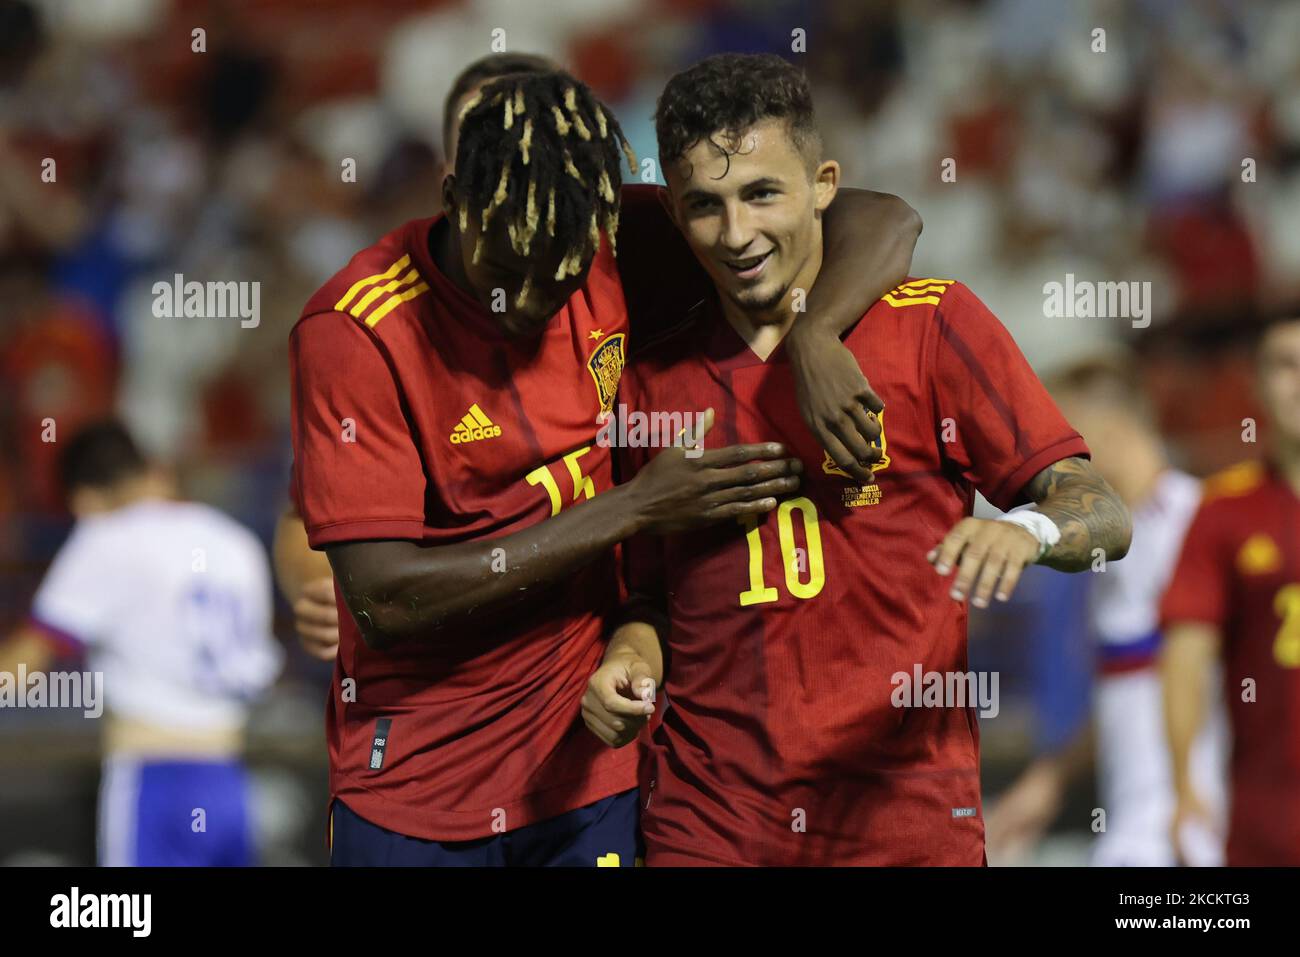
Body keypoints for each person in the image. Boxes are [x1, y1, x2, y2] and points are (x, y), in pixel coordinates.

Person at [290, 64, 922, 866]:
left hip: (590, 771)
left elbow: (885, 217)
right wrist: (633, 508)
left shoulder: (605, 237)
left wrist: (815, 331)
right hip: (417, 783)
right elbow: (385, 598)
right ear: (452, 203)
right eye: (503, 272)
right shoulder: (356, 332)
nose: (526, 302)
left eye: (554, 276)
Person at [580, 52, 1131, 866]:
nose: (736, 235)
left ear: (825, 184)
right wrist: (627, 661)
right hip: (709, 831)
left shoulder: (933, 327)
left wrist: (1028, 530)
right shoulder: (650, 378)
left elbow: (1104, 511)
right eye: (705, 205)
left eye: (763, 193)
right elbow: (652, 597)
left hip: (903, 828)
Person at [0, 421, 282, 865]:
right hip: (229, 778)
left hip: (156, 781)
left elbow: (22, 666)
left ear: (85, 499)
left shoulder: (108, 537)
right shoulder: (236, 541)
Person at [984, 353, 1226, 866]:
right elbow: (1130, 688)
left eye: (1061, 444)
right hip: (1134, 822)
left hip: (1191, 824)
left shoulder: (1195, 522)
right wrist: (1047, 782)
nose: (1049, 467)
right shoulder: (1109, 550)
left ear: (1107, 429)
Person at [1161, 312, 1300, 866]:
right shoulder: (1223, 512)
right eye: (1286, 366)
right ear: (1259, 385)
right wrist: (1181, 784)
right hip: (1265, 822)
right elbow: (1185, 660)